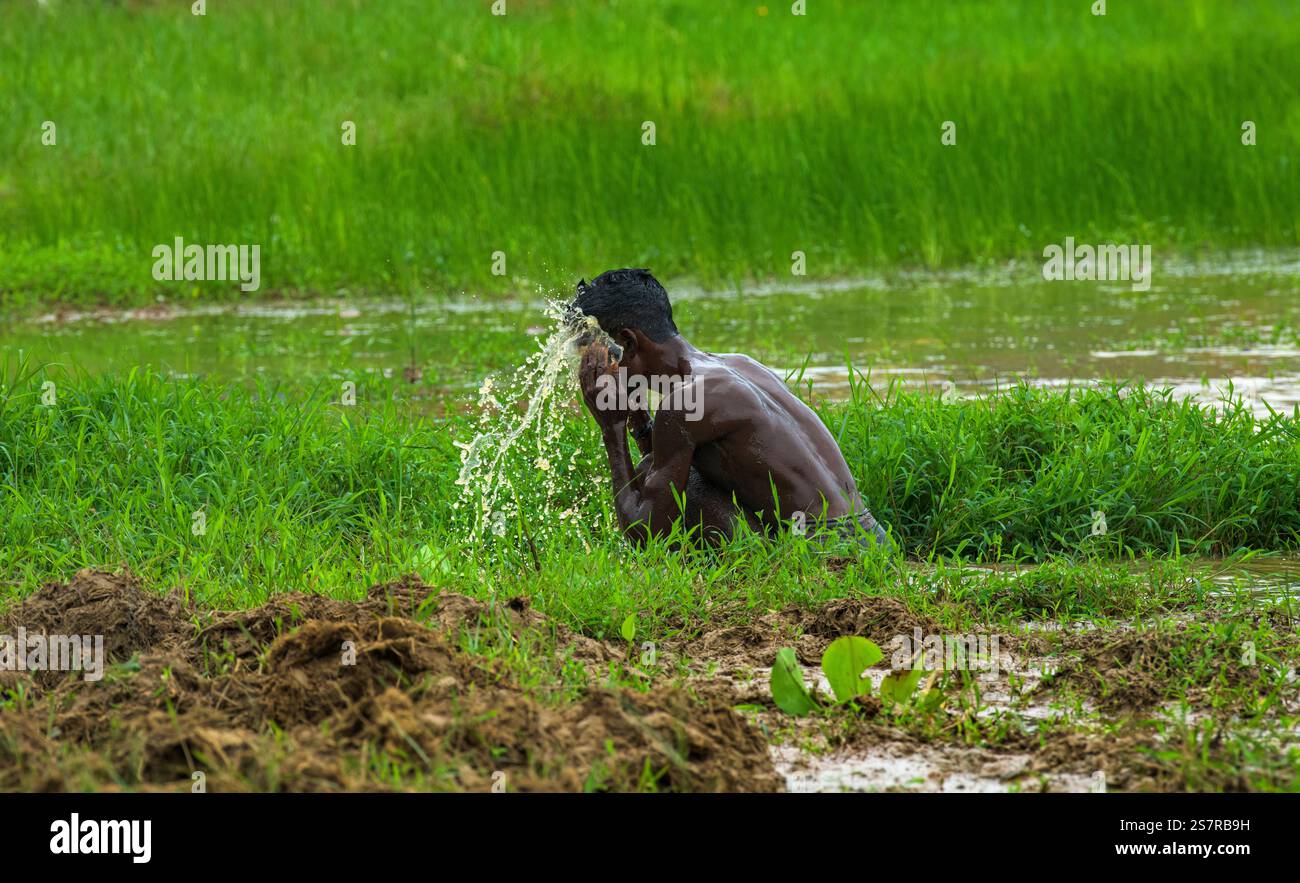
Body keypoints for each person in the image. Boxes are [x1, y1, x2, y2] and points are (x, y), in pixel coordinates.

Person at [569, 268, 893, 551]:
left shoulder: (682, 403)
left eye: (595, 360)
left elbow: (648, 534)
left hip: (825, 551)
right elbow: (678, 459)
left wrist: (612, 431)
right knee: (660, 469)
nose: (596, 372)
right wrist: (638, 418)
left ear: (627, 342)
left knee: (648, 475)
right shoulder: (736, 365)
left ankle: (757, 571)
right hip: (871, 538)